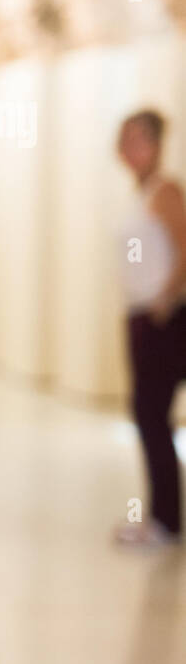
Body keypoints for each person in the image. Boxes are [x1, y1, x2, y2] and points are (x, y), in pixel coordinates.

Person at [114, 108, 185, 548]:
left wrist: (164, 298)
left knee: (151, 413)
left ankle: (164, 520)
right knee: (146, 414)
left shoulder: (165, 191)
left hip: (163, 319)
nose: (125, 148)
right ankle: (162, 515)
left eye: (134, 139)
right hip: (140, 316)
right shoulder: (137, 194)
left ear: (155, 144)